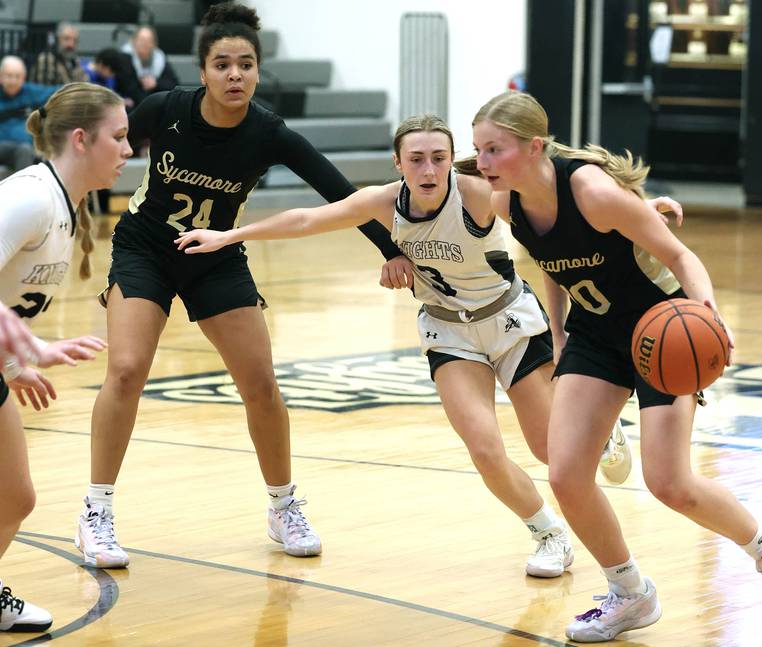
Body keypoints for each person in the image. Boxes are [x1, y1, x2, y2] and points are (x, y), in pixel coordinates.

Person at [174, 114, 679, 578]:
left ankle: (605, 428)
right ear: (398, 164)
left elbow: (559, 200)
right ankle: (548, 534)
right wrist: (228, 235)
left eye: (439, 157)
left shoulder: (481, 195)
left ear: (452, 160)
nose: (429, 168)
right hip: (449, 330)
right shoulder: (383, 200)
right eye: (416, 159)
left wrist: (640, 209)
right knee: (483, 448)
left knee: (549, 450)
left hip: (509, 322)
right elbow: (306, 219)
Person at [76, 2, 403, 569]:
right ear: (202, 71)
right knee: (126, 369)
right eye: (222, 64)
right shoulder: (165, 109)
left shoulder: (267, 131)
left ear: (257, 71)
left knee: (261, 383)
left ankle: (282, 506)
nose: (234, 75)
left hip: (217, 253)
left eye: (245, 64)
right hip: (145, 248)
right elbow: (107, 144)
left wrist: (391, 248)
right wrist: (72, 204)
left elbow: (338, 191)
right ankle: (95, 512)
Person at [468, 90, 762, 641]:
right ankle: (630, 594)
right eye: (478, 151)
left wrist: (707, 313)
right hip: (595, 337)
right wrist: (556, 328)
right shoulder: (510, 201)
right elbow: (554, 260)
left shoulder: (593, 192)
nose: (481, 164)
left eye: (492, 151)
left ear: (532, 148)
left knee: (670, 484)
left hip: (660, 334)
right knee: (566, 474)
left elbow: (680, 256)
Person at [0, 81, 130, 632]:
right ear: (81, 139)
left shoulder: (62, 204)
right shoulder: (29, 197)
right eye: (118, 137)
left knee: (14, 497)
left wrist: (14, 364)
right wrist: (31, 346)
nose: (128, 150)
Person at [0, 56, 59, 173]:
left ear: (23, 78)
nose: (13, 81)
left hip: (23, 149)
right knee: (25, 150)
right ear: (1, 77)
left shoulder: (31, 92)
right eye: (9, 75)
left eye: (17, 76)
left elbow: (57, 91)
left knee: (26, 150)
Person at [120, 26, 179, 97]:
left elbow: (173, 84)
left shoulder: (160, 58)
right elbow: (123, 85)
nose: (145, 43)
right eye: (142, 40)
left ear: (154, 44)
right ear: (133, 41)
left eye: (149, 40)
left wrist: (156, 83)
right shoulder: (125, 57)